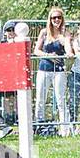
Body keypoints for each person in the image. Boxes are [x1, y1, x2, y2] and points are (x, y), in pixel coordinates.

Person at [34, 7, 72, 135]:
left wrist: (69, 52)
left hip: (59, 71)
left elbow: (68, 48)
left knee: (60, 99)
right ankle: (39, 125)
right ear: (50, 19)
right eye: (54, 17)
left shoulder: (65, 33)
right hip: (44, 69)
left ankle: (65, 129)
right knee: (40, 98)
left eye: (59, 17)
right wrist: (49, 55)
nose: (56, 20)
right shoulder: (44, 33)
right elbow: (36, 51)